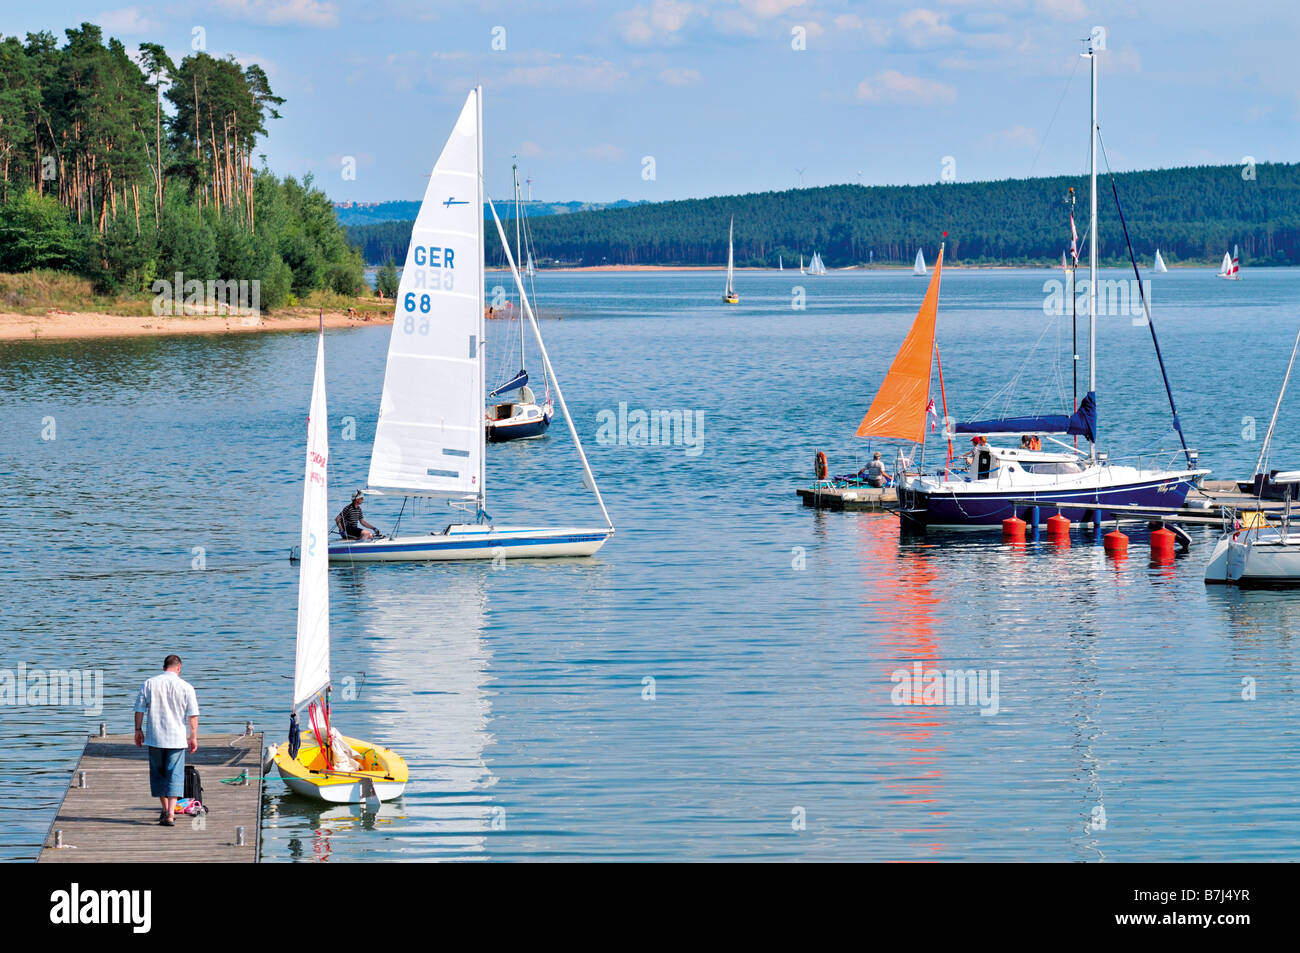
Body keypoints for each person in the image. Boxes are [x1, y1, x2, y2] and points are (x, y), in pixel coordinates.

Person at [134, 655, 199, 827]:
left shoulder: (149, 683)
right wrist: (193, 736)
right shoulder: (186, 687)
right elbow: (192, 715)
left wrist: (138, 730)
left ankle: (164, 809)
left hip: (155, 737)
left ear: (164, 667)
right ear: (179, 668)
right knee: (174, 775)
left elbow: (139, 710)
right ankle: (170, 813)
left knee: (159, 774)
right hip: (176, 739)